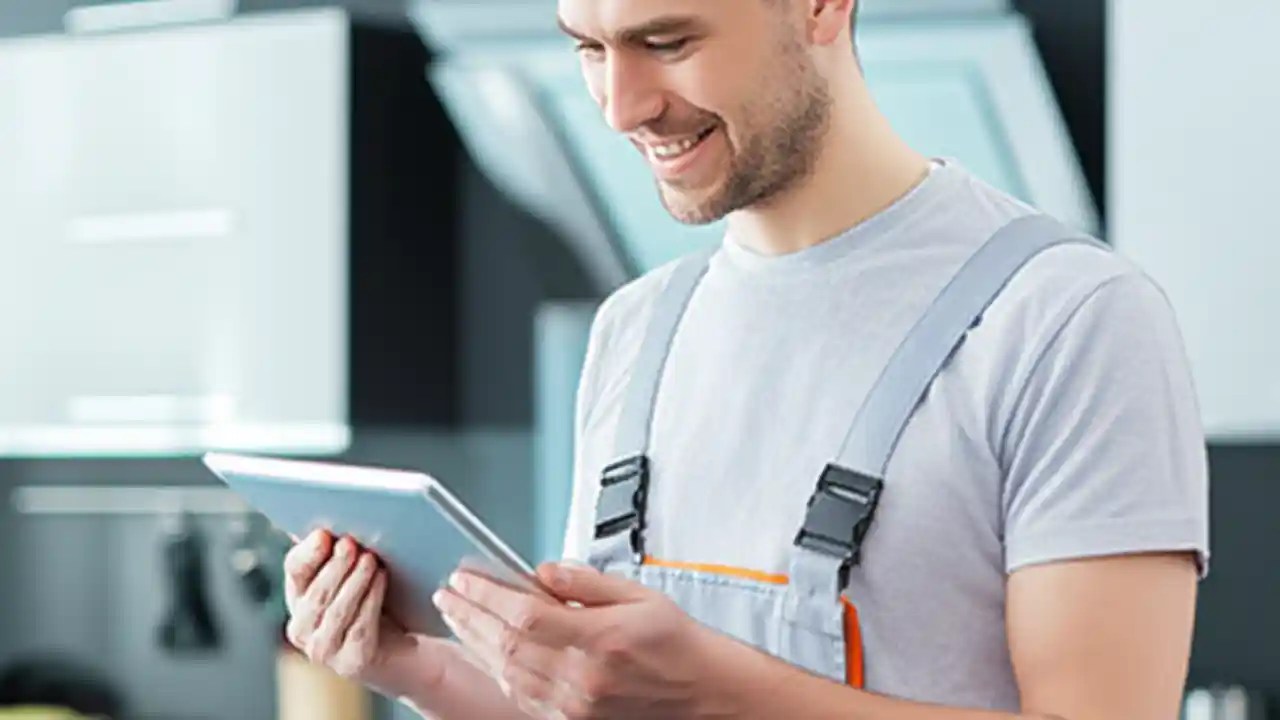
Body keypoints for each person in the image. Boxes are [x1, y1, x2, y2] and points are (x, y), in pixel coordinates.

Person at [281, 0, 1210, 718]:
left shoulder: (1068, 321)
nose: (620, 106)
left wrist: (717, 690)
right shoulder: (636, 331)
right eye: (589, 47)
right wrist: (411, 665)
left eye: (669, 40)